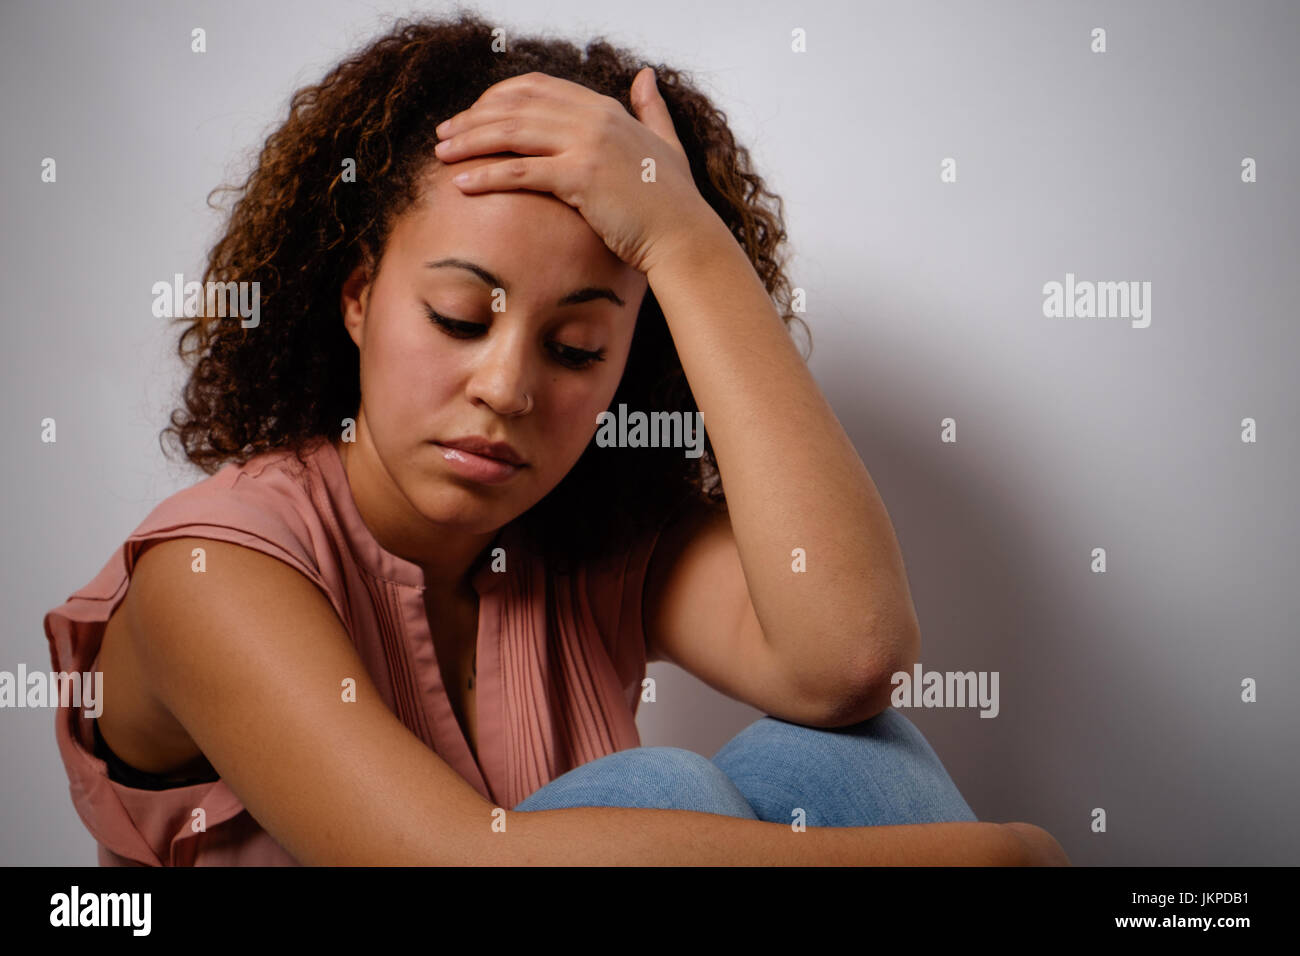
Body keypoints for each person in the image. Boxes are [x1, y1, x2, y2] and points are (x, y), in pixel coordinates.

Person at [43, 12, 1067, 866]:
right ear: (357, 299)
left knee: (848, 757)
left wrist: (686, 244)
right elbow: (458, 867)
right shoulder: (207, 571)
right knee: (655, 788)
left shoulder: (588, 538)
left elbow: (851, 656)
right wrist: (987, 856)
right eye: (457, 315)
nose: (506, 387)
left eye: (577, 347)